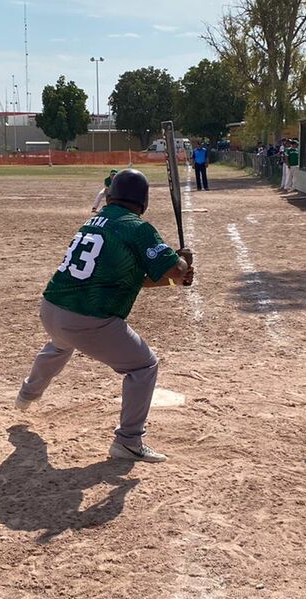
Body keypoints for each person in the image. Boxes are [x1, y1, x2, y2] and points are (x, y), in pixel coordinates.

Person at [15, 169, 196, 462]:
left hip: (51, 309)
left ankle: (27, 395)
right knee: (143, 366)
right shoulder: (137, 228)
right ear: (143, 201)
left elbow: (140, 278)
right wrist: (182, 264)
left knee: (60, 344)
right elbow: (175, 268)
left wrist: (176, 277)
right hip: (87, 318)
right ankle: (128, 441)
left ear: (111, 196)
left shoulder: (93, 222)